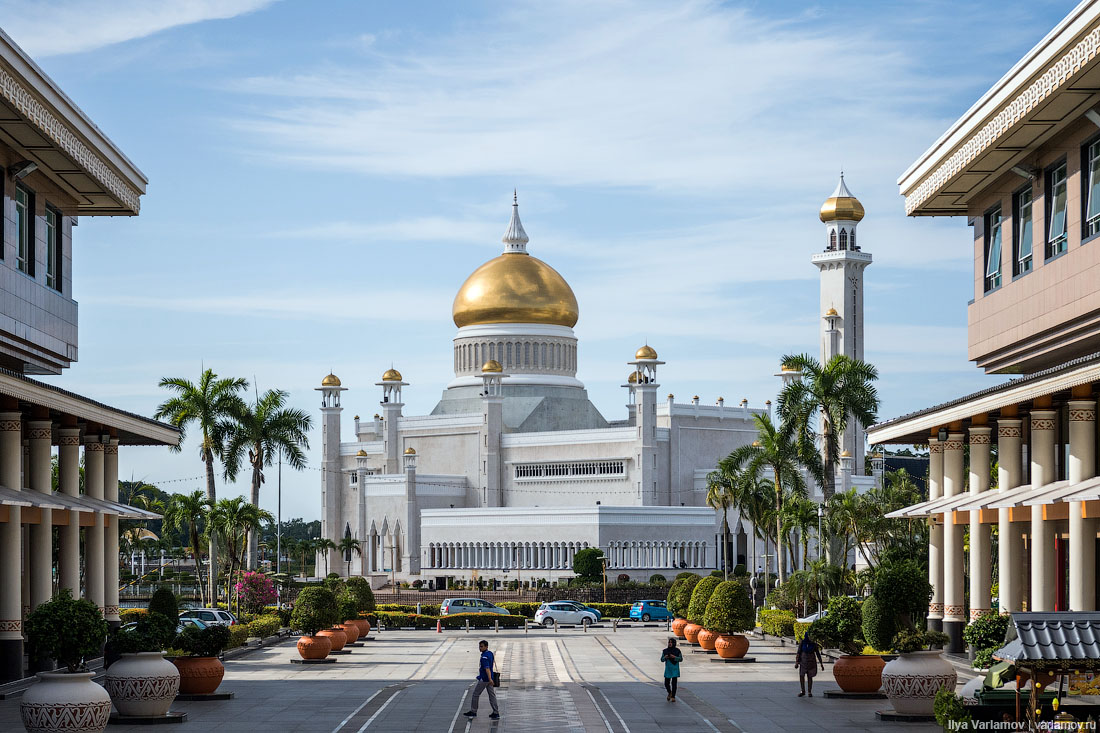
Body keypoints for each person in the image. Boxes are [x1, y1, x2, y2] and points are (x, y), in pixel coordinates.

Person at [463, 640, 499, 720]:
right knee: (492, 695)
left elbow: (487, 668)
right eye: (479, 646)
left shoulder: (484, 657)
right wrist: (491, 678)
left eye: (482, 646)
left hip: (484, 679)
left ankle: (473, 711)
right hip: (490, 678)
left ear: (486, 646)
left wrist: (489, 679)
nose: (480, 648)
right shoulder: (490, 653)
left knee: (476, 694)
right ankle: (496, 712)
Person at [795, 632, 824, 697]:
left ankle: (809, 691)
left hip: (811, 662)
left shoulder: (814, 644)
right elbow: (798, 652)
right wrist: (797, 662)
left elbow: (818, 654)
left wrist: (821, 664)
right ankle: (802, 690)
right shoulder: (802, 643)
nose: (811, 638)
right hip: (803, 662)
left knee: (810, 676)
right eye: (809, 636)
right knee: (801, 675)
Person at [660, 637, 683, 702]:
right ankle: (669, 692)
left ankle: (673, 696)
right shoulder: (665, 651)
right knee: (666, 683)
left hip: (675, 669)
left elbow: (681, 659)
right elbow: (662, 659)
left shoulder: (677, 651)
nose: (670, 644)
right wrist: (665, 657)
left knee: (674, 684)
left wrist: (674, 657)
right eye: (669, 642)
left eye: (671, 642)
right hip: (668, 669)